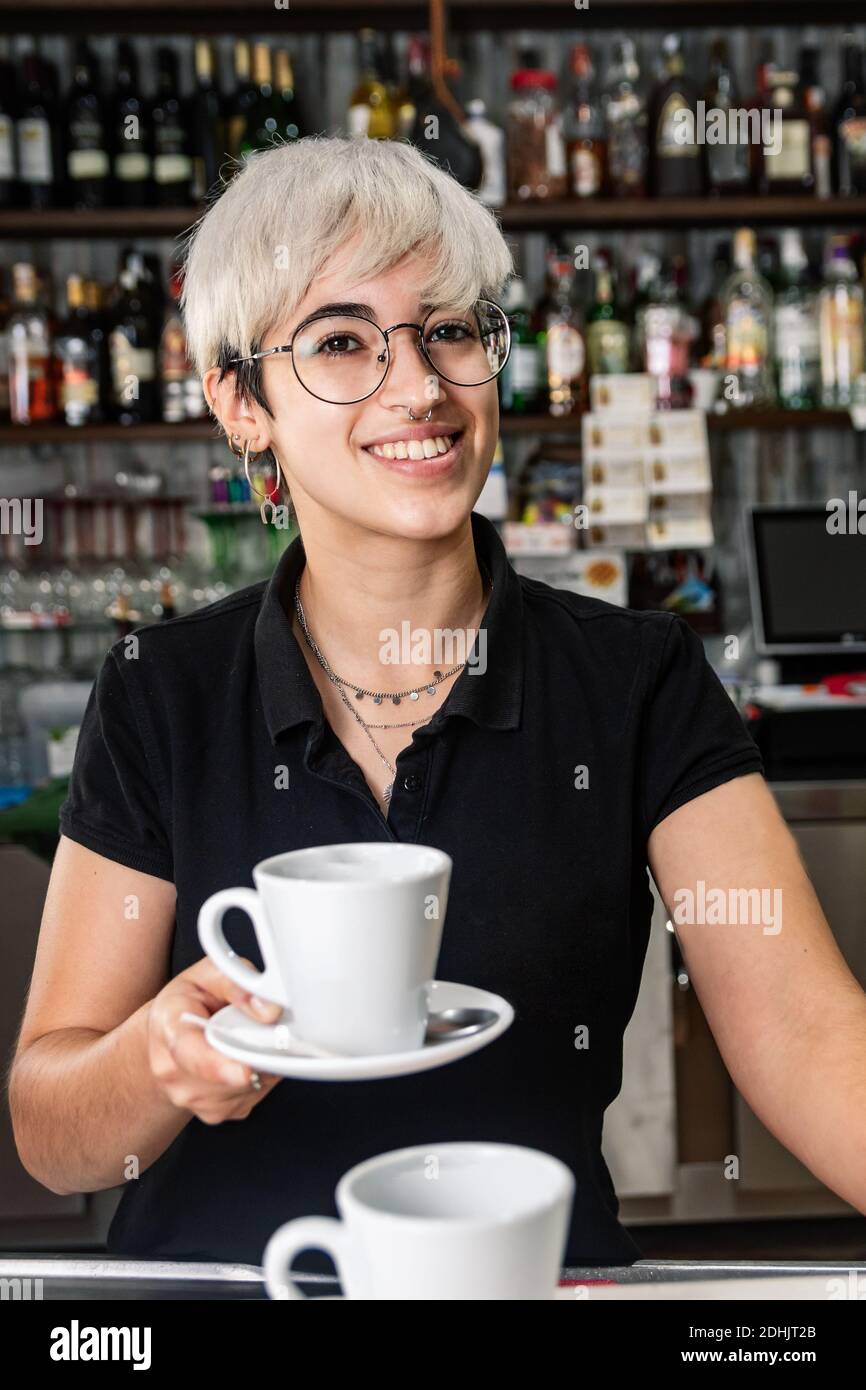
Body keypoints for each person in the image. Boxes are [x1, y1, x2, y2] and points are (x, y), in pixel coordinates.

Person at [10, 137, 866, 1273]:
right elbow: (52, 1132)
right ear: (239, 401)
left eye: (449, 330)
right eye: (341, 342)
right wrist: (155, 1062)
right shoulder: (159, 691)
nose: (417, 388)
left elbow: (809, 1044)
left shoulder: (635, 678)